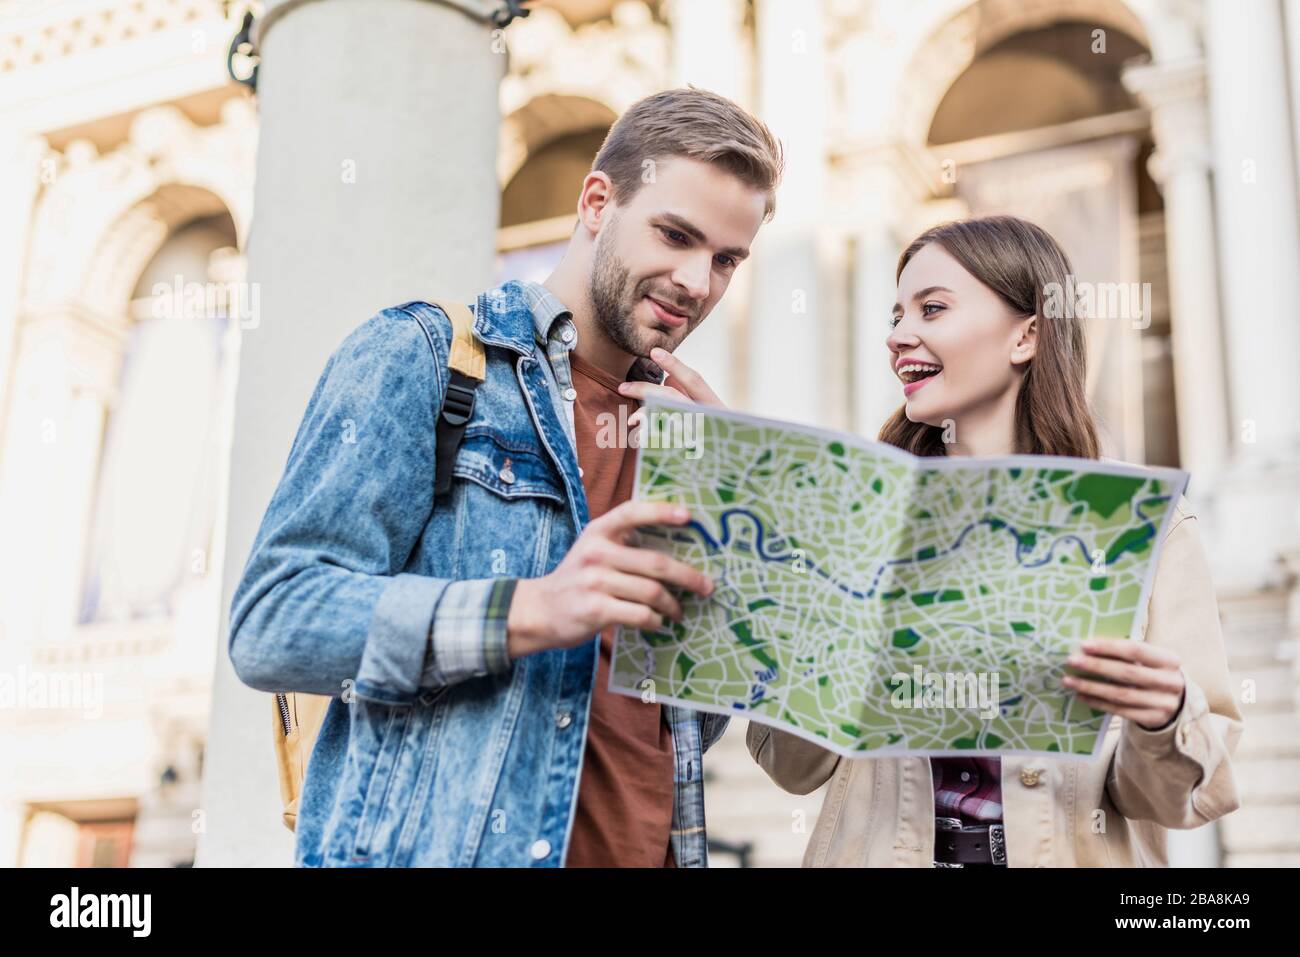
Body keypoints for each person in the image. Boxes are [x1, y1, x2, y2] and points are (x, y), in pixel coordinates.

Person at [230, 87, 782, 867]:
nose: (698, 281)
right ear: (598, 201)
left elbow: (677, 725)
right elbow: (272, 620)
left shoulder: (689, 442)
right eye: (675, 234)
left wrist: (743, 500)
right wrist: (532, 608)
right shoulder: (421, 354)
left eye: (726, 259)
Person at [747, 215, 1243, 867]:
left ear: (1027, 334)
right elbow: (790, 764)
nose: (898, 336)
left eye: (932, 308)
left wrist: (1163, 717)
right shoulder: (856, 518)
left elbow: (1180, 795)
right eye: (896, 315)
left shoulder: (1140, 528)